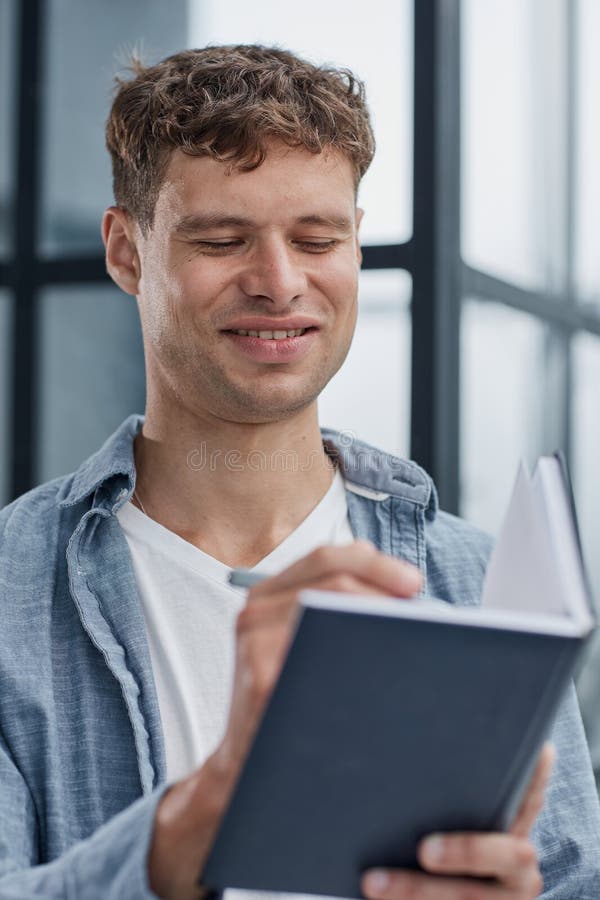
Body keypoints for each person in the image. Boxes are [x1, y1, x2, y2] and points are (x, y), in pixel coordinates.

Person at [0, 44, 598, 900]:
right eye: (222, 240)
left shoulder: (479, 581)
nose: (280, 284)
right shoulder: (11, 592)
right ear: (127, 253)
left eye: (318, 239)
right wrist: (198, 819)